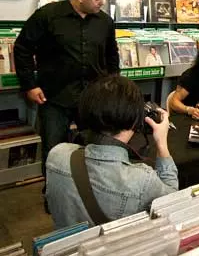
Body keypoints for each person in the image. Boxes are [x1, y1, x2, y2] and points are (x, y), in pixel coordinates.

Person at [14, 0, 119, 203]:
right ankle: (54, 196)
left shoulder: (105, 22)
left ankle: (93, 196)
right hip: (55, 97)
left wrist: (113, 86)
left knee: (97, 146)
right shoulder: (48, 16)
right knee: (54, 150)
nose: (102, 2)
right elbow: (22, 48)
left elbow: (112, 56)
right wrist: (29, 85)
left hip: (93, 98)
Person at [46, 76, 177, 229]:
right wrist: (162, 143)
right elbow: (172, 200)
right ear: (137, 120)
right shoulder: (143, 181)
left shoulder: (57, 155)